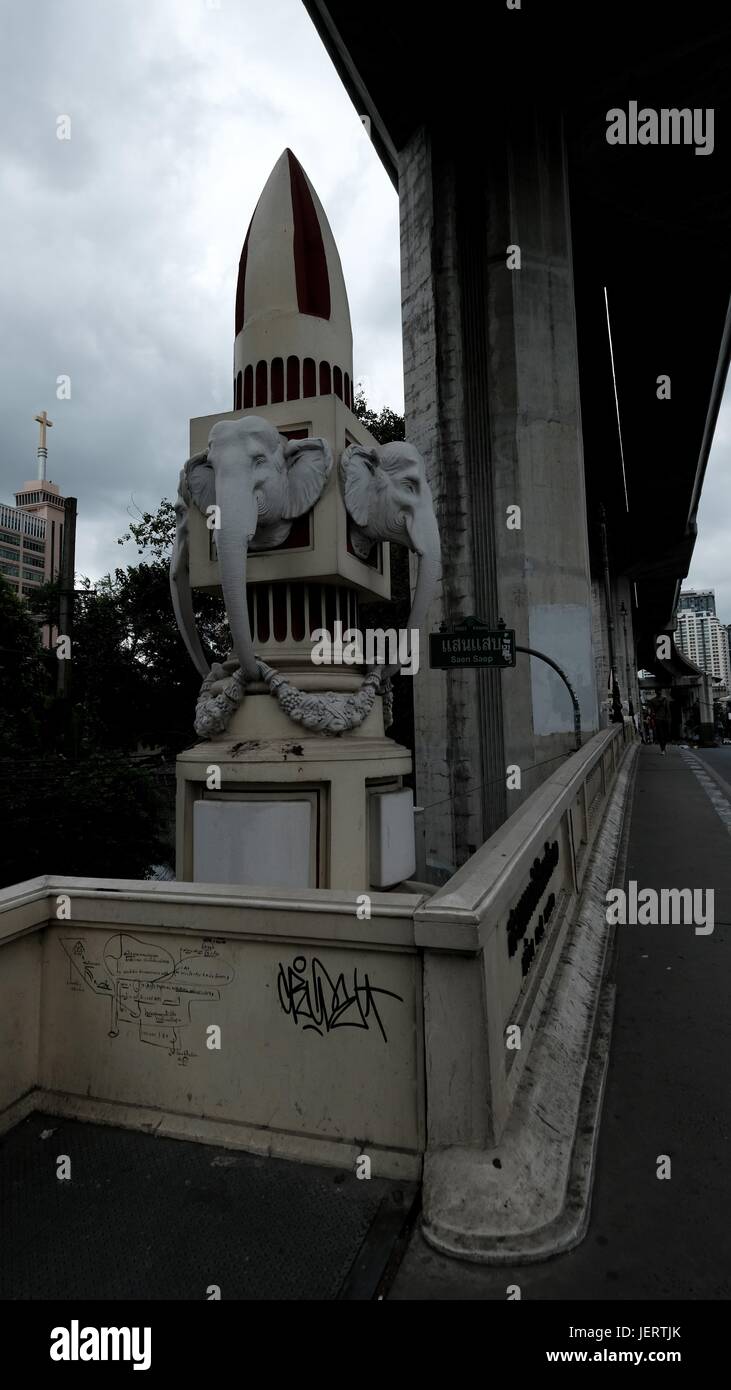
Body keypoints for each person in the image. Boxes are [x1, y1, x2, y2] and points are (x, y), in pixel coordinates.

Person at [653, 690, 672, 754]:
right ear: (656, 692)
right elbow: (652, 711)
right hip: (658, 719)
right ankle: (662, 749)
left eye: (660, 691)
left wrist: (669, 719)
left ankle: (664, 746)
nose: (659, 692)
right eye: (658, 691)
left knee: (666, 734)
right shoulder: (653, 700)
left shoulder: (665, 699)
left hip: (665, 719)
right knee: (660, 734)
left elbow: (668, 710)